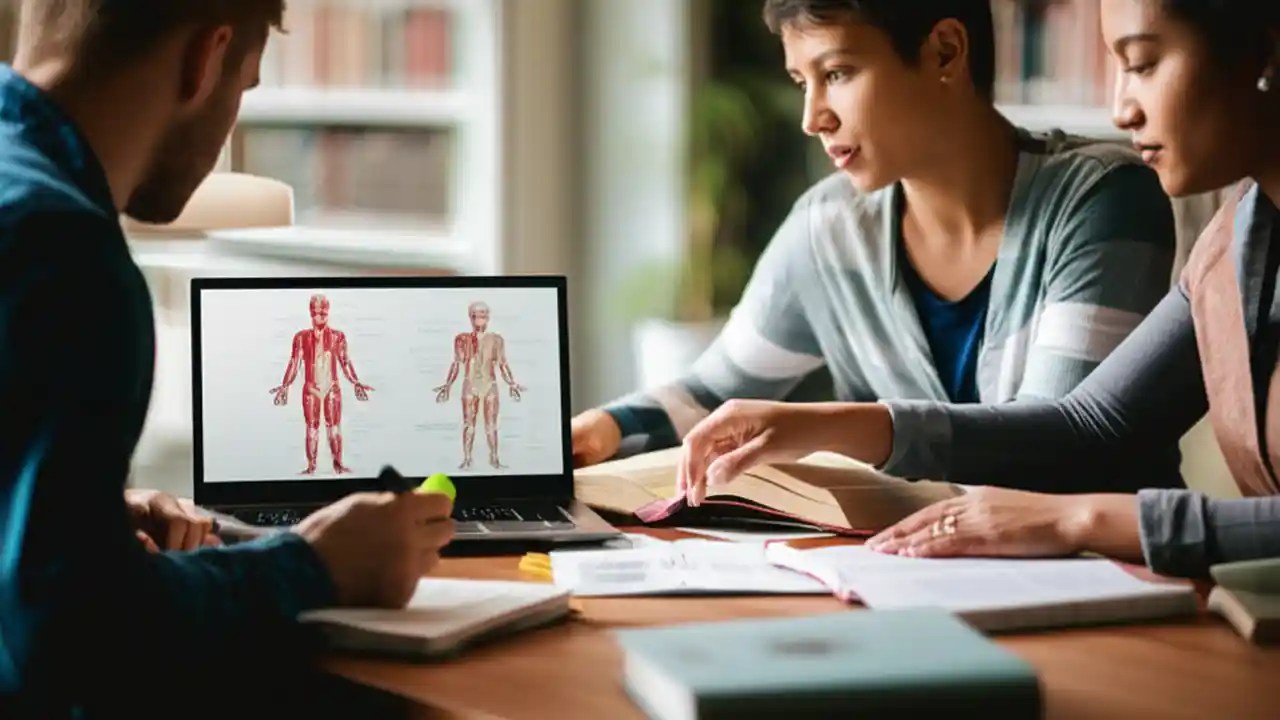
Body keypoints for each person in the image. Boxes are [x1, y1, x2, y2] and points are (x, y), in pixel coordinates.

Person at [675, 0, 1280, 579]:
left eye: (1143, 63)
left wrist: (1082, 519)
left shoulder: (1100, 195)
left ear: (1265, 52)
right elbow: (1092, 423)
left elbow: (1077, 456)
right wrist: (834, 425)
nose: (1122, 109)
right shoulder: (1232, 241)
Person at [0, 1, 454, 716]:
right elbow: (72, 639)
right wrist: (312, 564)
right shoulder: (66, 255)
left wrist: (80, 520)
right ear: (205, 60)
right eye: (246, 87)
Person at [571, 0, 1180, 480]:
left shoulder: (1103, 198)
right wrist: (603, 429)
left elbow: (1062, 445)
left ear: (945, 51)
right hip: (918, 583)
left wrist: (836, 428)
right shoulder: (828, 229)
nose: (813, 117)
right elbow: (711, 398)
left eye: (837, 73)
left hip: (1106, 590)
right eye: (800, 81)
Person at [270, 293, 375, 476]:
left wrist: (355, 381)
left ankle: (338, 464)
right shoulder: (301, 338)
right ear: (311, 313)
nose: (320, 317)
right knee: (312, 428)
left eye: (324, 313)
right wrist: (285, 384)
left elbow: (345, 361)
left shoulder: (337, 336)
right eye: (317, 313)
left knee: (334, 427)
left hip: (331, 388)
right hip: (311, 389)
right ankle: (311, 467)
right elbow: (294, 363)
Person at [433, 301, 526, 469]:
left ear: (488, 317)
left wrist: (511, 382)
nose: (479, 318)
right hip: (470, 384)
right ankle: (468, 459)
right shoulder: (462, 339)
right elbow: (456, 363)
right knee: (469, 424)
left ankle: (494, 458)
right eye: (475, 314)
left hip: (490, 384)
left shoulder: (496, 340)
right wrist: (448, 384)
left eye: (482, 314)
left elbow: (502, 364)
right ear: (470, 317)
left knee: (491, 425)